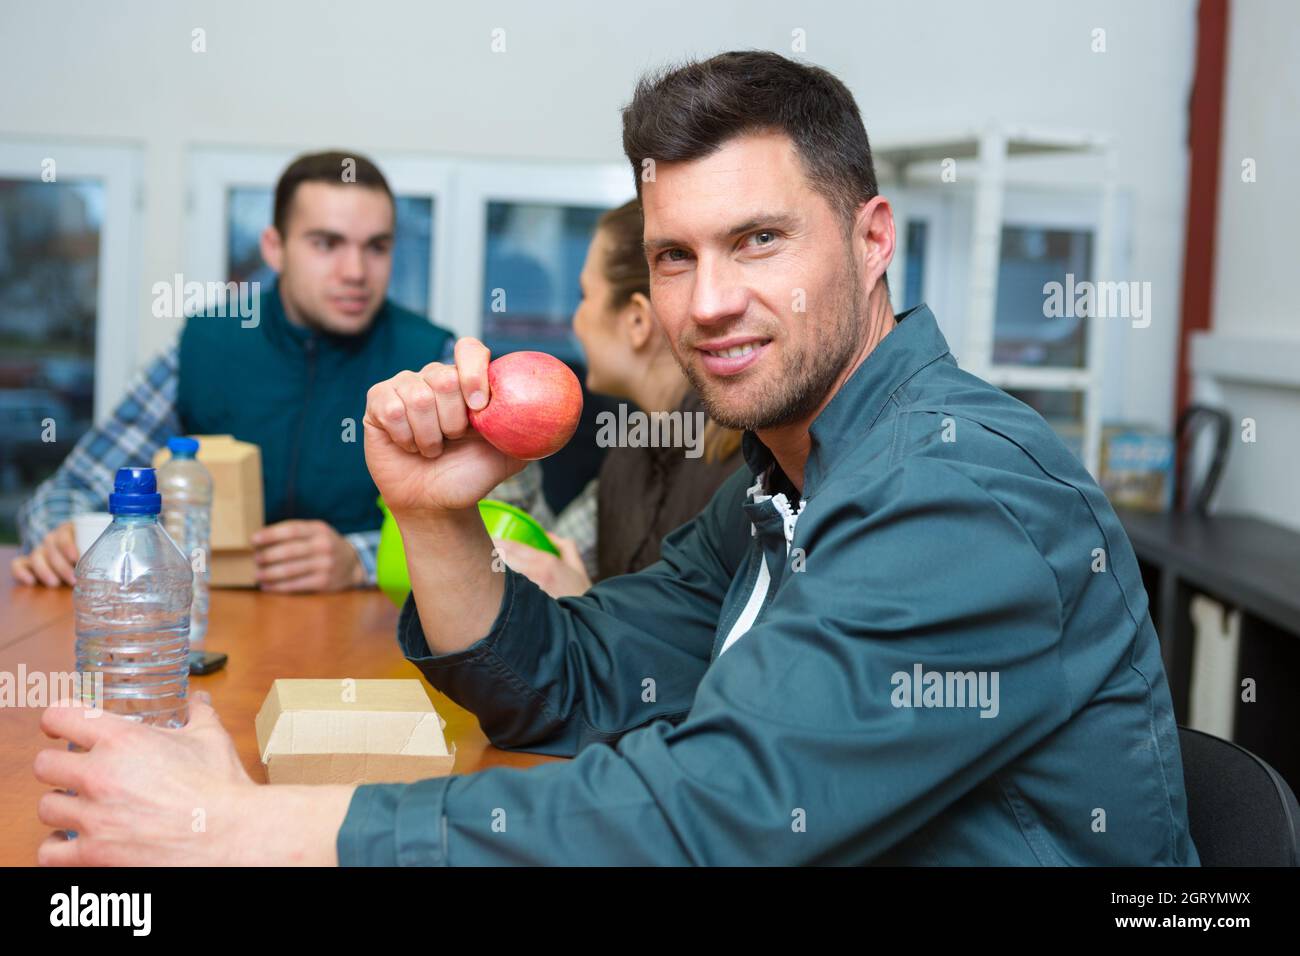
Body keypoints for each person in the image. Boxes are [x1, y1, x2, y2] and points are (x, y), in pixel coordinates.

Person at [35, 52, 1198, 866]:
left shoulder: (960, 491)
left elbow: (718, 820)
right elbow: (576, 681)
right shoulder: (782, 485)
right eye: (674, 257)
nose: (712, 301)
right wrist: (434, 517)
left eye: (757, 239)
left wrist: (246, 834)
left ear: (871, 237)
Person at [12, 150, 546, 592]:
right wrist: (67, 536)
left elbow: (513, 536)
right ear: (275, 248)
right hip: (208, 634)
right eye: (326, 243)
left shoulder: (436, 358)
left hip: (379, 645)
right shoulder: (206, 343)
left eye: (376, 247)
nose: (355, 272)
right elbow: (68, 491)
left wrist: (356, 558)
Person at [501, 200, 743, 598]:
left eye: (584, 296)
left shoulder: (743, 470)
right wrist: (508, 455)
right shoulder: (634, 445)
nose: (575, 321)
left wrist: (586, 610)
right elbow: (543, 560)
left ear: (635, 321)